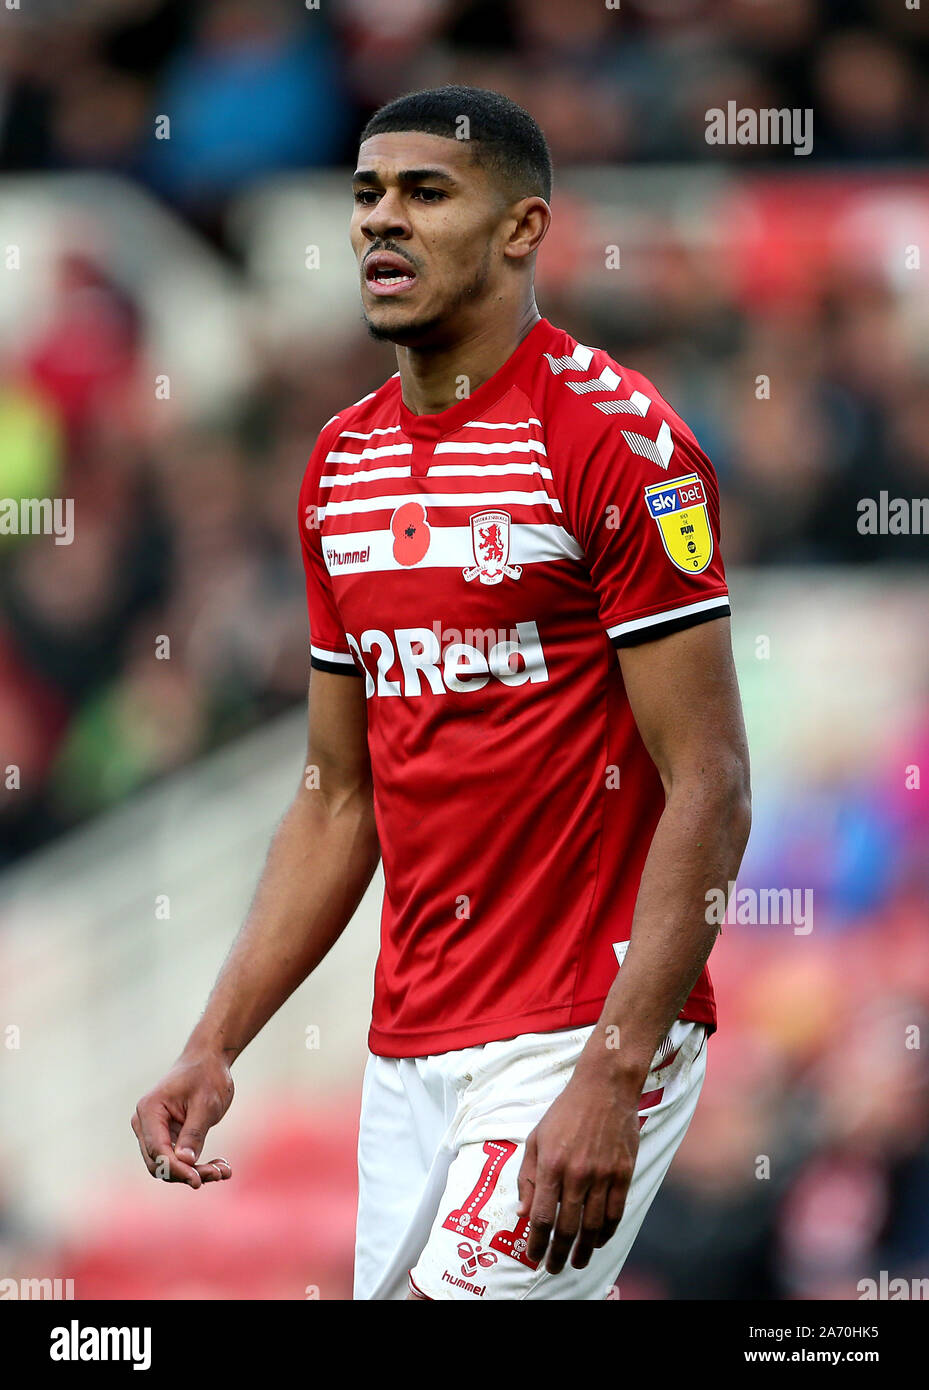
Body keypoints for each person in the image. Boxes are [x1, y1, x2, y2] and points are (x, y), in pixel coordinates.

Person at [132, 85, 751, 1301]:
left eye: (424, 193)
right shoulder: (338, 464)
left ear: (521, 228)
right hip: (409, 1043)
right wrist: (214, 1043)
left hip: (583, 1022)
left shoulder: (614, 442)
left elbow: (712, 786)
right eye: (365, 194)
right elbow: (334, 798)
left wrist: (611, 1072)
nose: (380, 223)